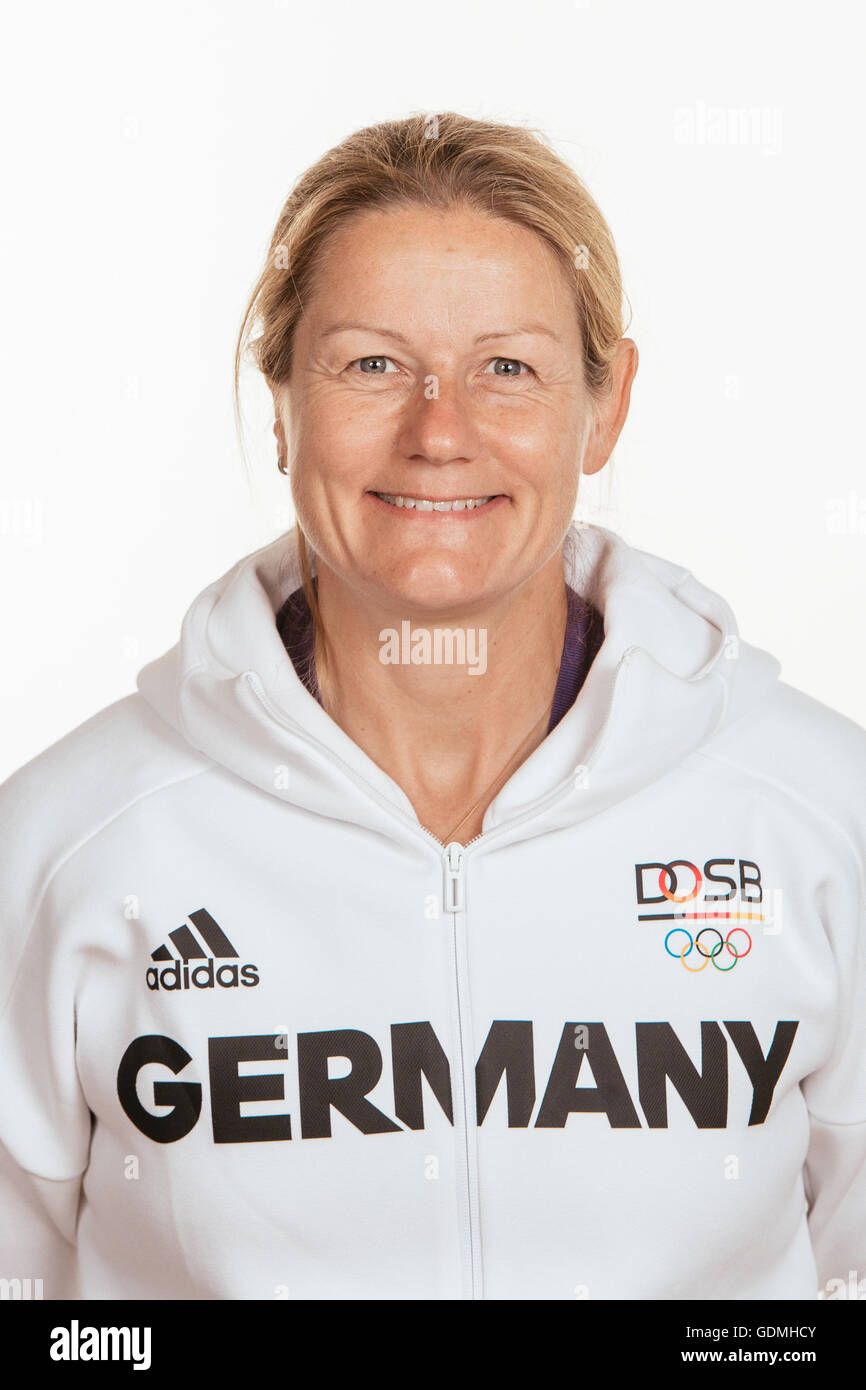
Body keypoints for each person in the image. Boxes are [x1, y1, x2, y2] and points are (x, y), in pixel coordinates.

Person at [1, 110, 864, 1302]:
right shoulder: (63, 845)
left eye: (505, 367)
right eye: (369, 364)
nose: (437, 431)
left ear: (603, 406)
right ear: (280, 404)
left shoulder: (819, 818)